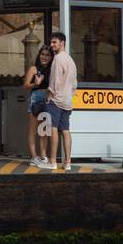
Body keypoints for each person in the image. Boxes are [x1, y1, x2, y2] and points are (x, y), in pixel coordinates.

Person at [35, 30, 78, 172]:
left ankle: (52, 161)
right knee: (65, 130)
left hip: (56, 100)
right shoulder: (71, 60)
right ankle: (68, 162)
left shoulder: (58, 59)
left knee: (53, 130)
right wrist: (69, 95)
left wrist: (49, 95)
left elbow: (55, 81)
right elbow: (74, 83)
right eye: (51, 42)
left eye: (54, 42)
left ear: (62, 43)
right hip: (67, 101)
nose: (52, 45)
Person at [22, 45, 54, 165]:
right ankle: (34, 157)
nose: (44, 57)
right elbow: (25, 85)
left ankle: (43, 156)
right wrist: (35, 84)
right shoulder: (34, 69)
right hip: (35, 98)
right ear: (39, 55)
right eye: (42, 54)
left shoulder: (52, 69)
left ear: (51, 57)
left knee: (44, 130)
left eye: (47, 55)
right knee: (33, 130)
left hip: (48, 99)